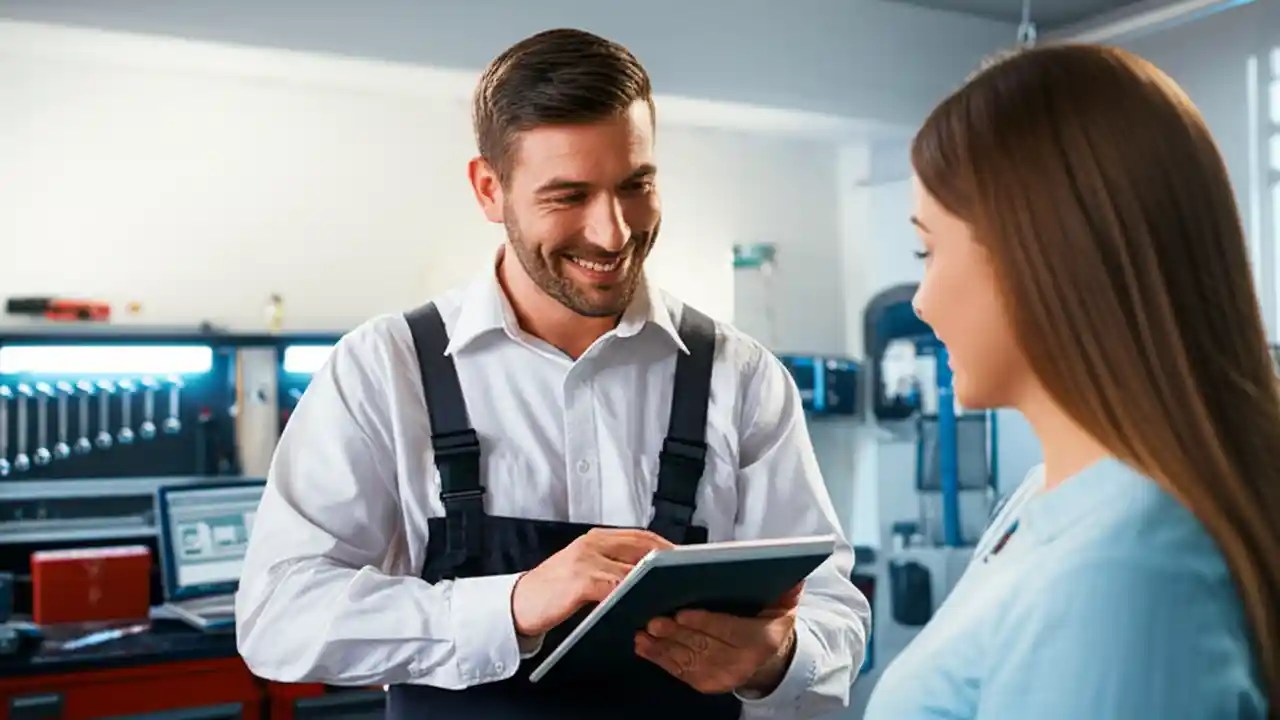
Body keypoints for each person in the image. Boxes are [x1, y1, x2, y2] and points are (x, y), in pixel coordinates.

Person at [235, 27, 869, 719]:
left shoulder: (740, 378)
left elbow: (834, 608)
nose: (613, 232)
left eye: (636, 185)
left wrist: (777, 657)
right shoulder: (382, 370)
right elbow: (279, 617)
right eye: (568, 196)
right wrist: (511, 604)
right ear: (489, 188)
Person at [863, 44, 1277, 719]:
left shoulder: (1124, 572)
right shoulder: (1060, 500)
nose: (921, 301)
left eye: (929, 251)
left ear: (1040, 254)